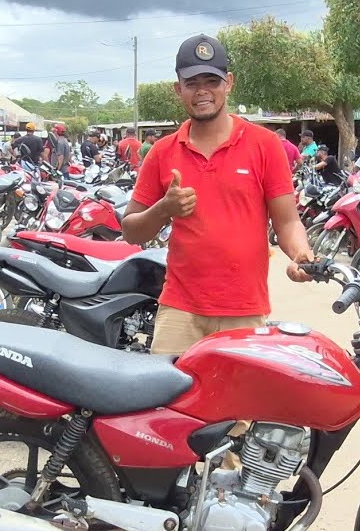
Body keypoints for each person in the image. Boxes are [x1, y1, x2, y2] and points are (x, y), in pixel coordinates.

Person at [122, 33, 313, 358]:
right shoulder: (162, 152)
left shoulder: (264, 145)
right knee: (168, 408)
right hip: (179, 311)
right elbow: (130, 230)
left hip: (243, 311)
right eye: (192, 82)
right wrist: (164, 209)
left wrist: (302, 256)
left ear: (229, 83)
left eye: (212, 80)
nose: (202, 91)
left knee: (239, 410)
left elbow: (287, 222)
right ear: (178, 88)